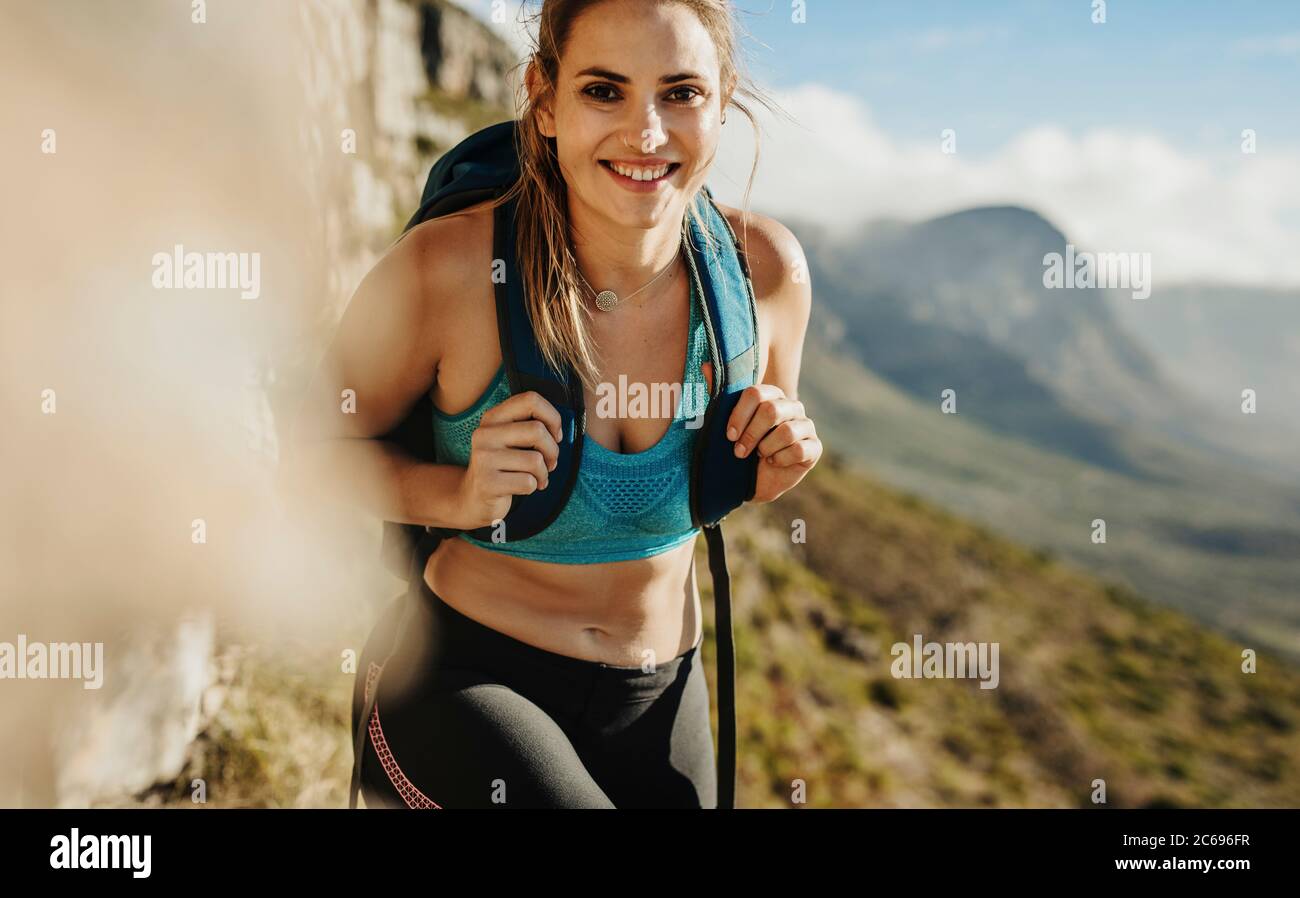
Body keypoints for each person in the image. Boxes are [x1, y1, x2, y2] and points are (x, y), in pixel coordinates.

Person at [289, 0, 820, 808]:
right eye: (605, 91)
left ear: (722, 99)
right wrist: (458, 493)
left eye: (680, 93)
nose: (646, 133)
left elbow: (736, 470)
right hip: (463, 683)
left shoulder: (763, 275)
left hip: (665, 693)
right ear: (544, 100)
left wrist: (773, 468)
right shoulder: (449, 272)